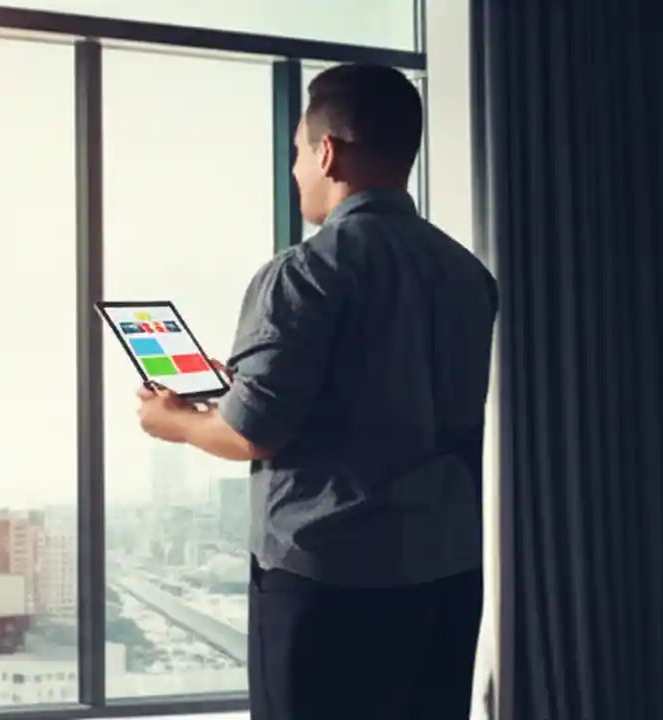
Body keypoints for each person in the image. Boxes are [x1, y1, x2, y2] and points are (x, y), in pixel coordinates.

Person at [135, 63, 498, 720]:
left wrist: (177, 422)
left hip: (329, 580)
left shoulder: (303, 273)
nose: (297, 168)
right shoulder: (466, 273)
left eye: (299, 152)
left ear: (328, 152)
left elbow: (254, 432)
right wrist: (246, 390)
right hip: (445, 570)